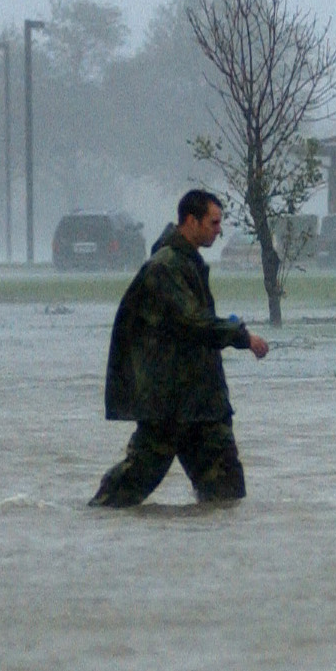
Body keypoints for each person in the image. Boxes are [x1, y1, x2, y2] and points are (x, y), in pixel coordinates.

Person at [91, 188, 269, 506]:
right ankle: (88, 523)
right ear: (191, 220)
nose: (219, 230)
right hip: (170, 404)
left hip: (201, 405)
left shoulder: (187, 263)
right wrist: (242, 337)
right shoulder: (165, 267)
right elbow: (193, 322)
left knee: (226, 494)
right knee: (129, 485)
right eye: (213, 223)